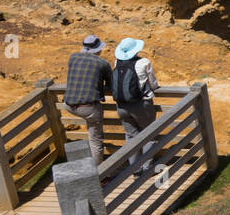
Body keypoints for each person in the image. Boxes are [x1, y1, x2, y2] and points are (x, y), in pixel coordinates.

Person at [112, 38, 160, 177]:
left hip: (121, 106)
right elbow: (154, 84)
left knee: (131, 136)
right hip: (141, 105)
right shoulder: (143, 63)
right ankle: (147, 168)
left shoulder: (117, 62)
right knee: (149, 134)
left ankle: (134, 168)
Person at [63, 34, 112, 164]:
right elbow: (111, 85)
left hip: (68, 105)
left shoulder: (72, 57)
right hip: (88, 108)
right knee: (96, 141)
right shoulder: (103, 64)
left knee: (91, 134)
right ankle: (98, 175)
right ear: (98, 49)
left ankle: (84, 163)